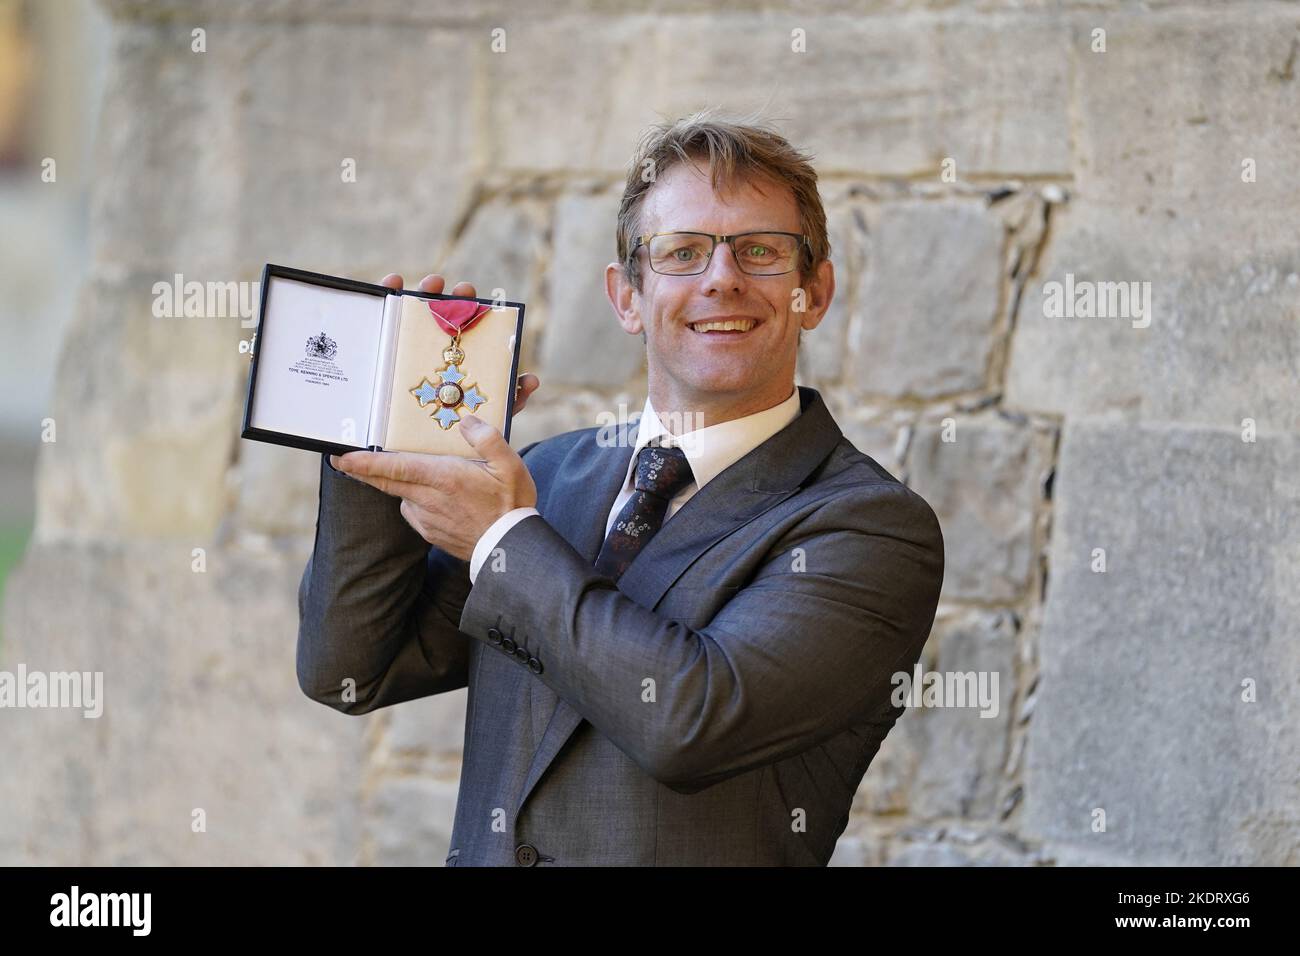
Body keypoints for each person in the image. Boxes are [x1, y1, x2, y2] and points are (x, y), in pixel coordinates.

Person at [297, 109, 945, 866]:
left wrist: (505, 542)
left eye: (761, 251)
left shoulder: (869, 527)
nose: (722, 278)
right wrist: (385, 439)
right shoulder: (543, 478)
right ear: (627, 297)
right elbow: (349, 673)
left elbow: (692, 721)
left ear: (815, 291)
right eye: (682, 252)